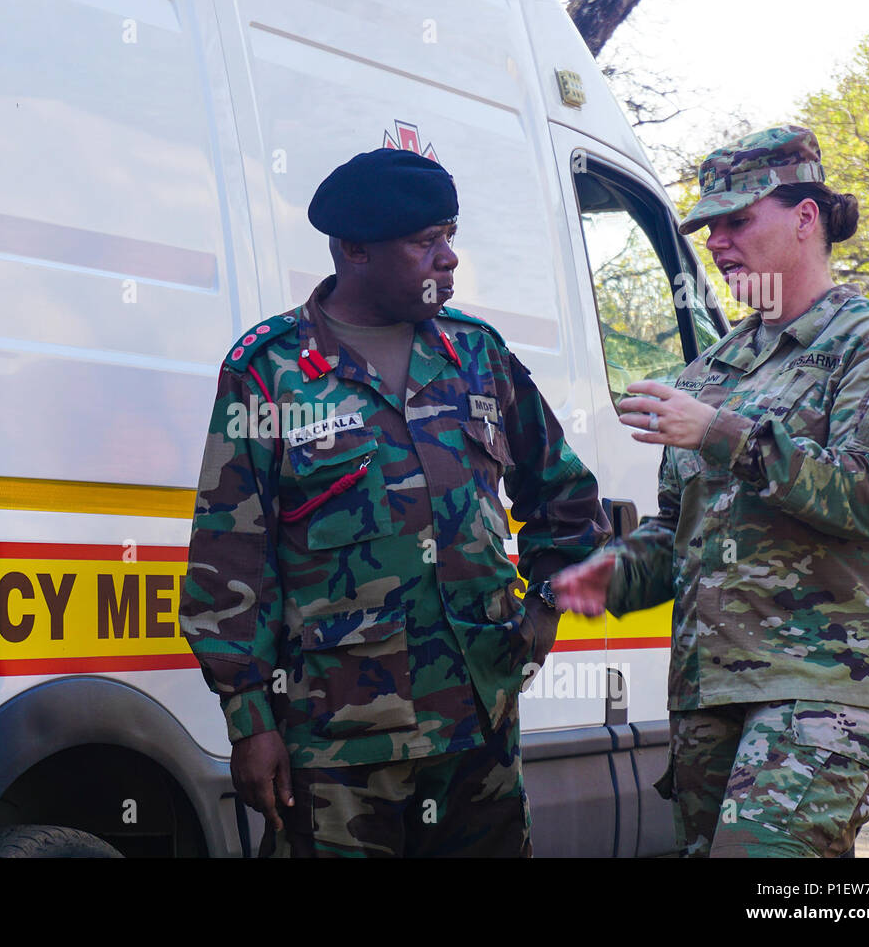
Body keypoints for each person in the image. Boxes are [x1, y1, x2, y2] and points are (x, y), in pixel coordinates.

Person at [179, 148, 611, 857]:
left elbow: (564, 494)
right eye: (425, 241)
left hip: (478, 730)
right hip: (337, 745)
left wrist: (540, 613)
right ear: (355, 250)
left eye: (450, 235)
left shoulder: (476, 354)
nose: (449, 258)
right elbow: (231, 555)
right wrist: (249, 721)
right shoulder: (271, 370)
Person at [554, 125, 869, 858]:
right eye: (709, 228)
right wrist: (607, 576)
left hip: (831, 684)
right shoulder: (710, 371)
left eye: (737, 221)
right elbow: (680, 528)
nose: (718, 244)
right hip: (713, 691)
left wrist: (722, 433)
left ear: (805, 216)